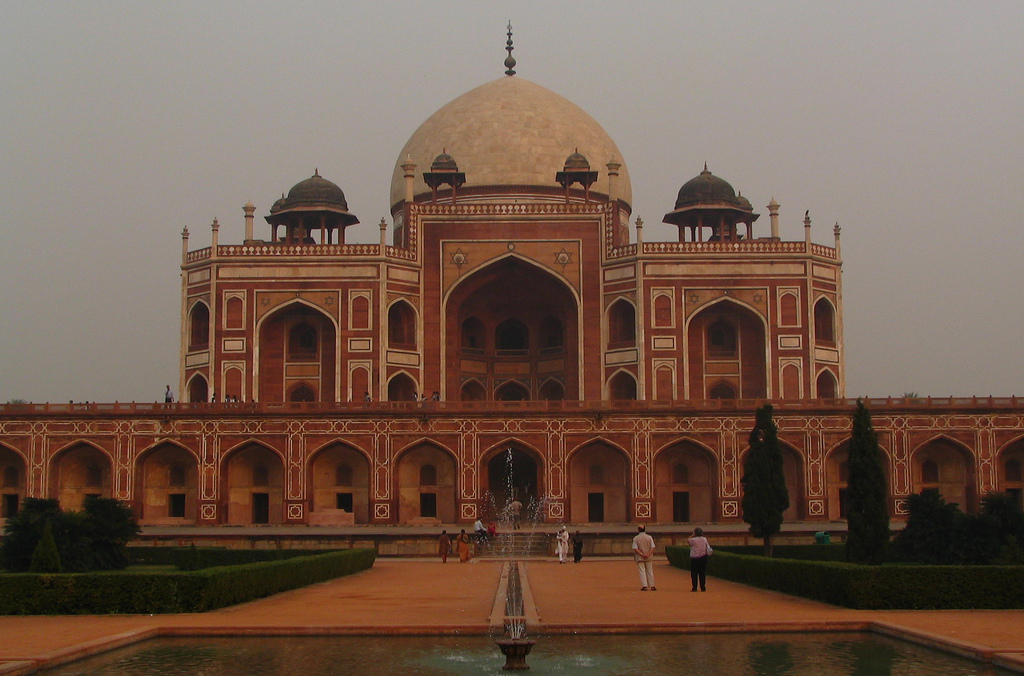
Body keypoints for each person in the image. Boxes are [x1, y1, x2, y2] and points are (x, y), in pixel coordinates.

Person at [687, 527, 713, 592]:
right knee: (702, 573)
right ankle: (703, 587)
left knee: (694, 574)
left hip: (695, 558)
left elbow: (688, 540)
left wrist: (692, 535)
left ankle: (694, 587)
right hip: (703, 557)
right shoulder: (704, 539)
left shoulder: (693, 540)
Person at [632, 525, 656, 591]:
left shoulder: (636, 538)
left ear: (638, 530)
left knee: (642, 571)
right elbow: (653, 547)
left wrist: (642, 554)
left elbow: (635, 548)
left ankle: (644, 586)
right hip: (649, 557)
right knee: (650, 571)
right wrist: (648, 554)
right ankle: (652, 585)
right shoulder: (649, 537)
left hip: (640, 557)